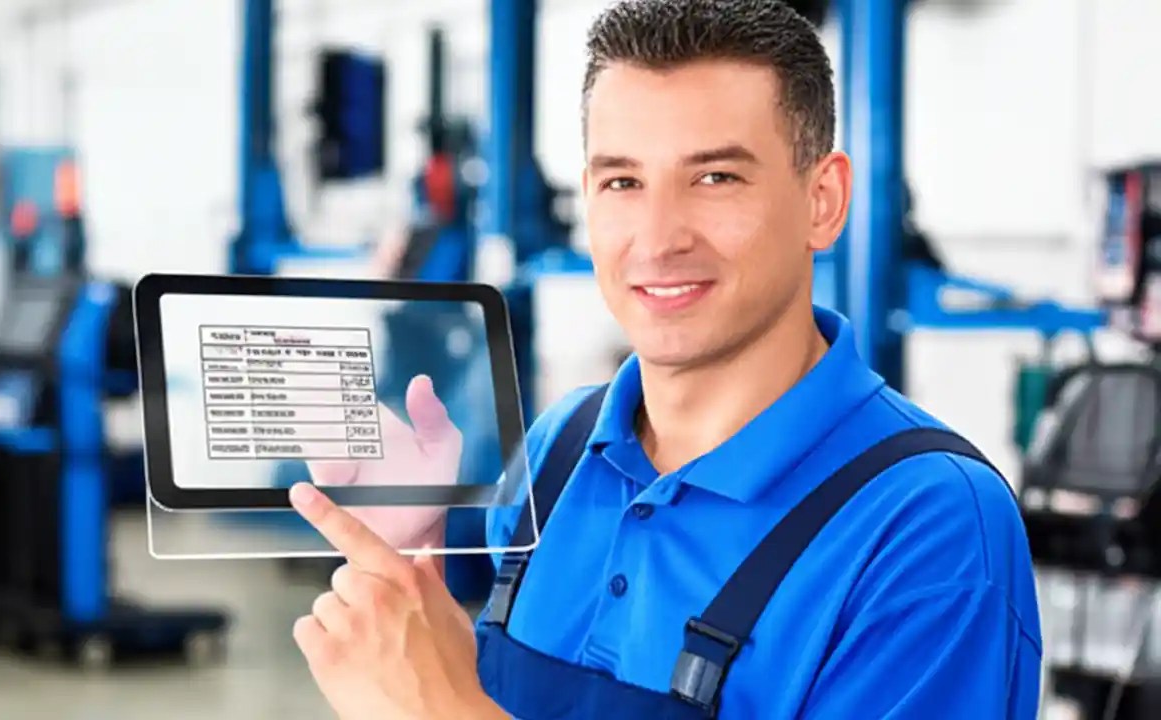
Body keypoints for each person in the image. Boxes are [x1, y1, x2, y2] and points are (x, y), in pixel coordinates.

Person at [287, 0, 1043, 718]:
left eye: (715, 178)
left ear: (823, 200)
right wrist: (416, 560)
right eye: (623, 181)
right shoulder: (561, 450)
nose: (657, 238)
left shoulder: (930, 529)